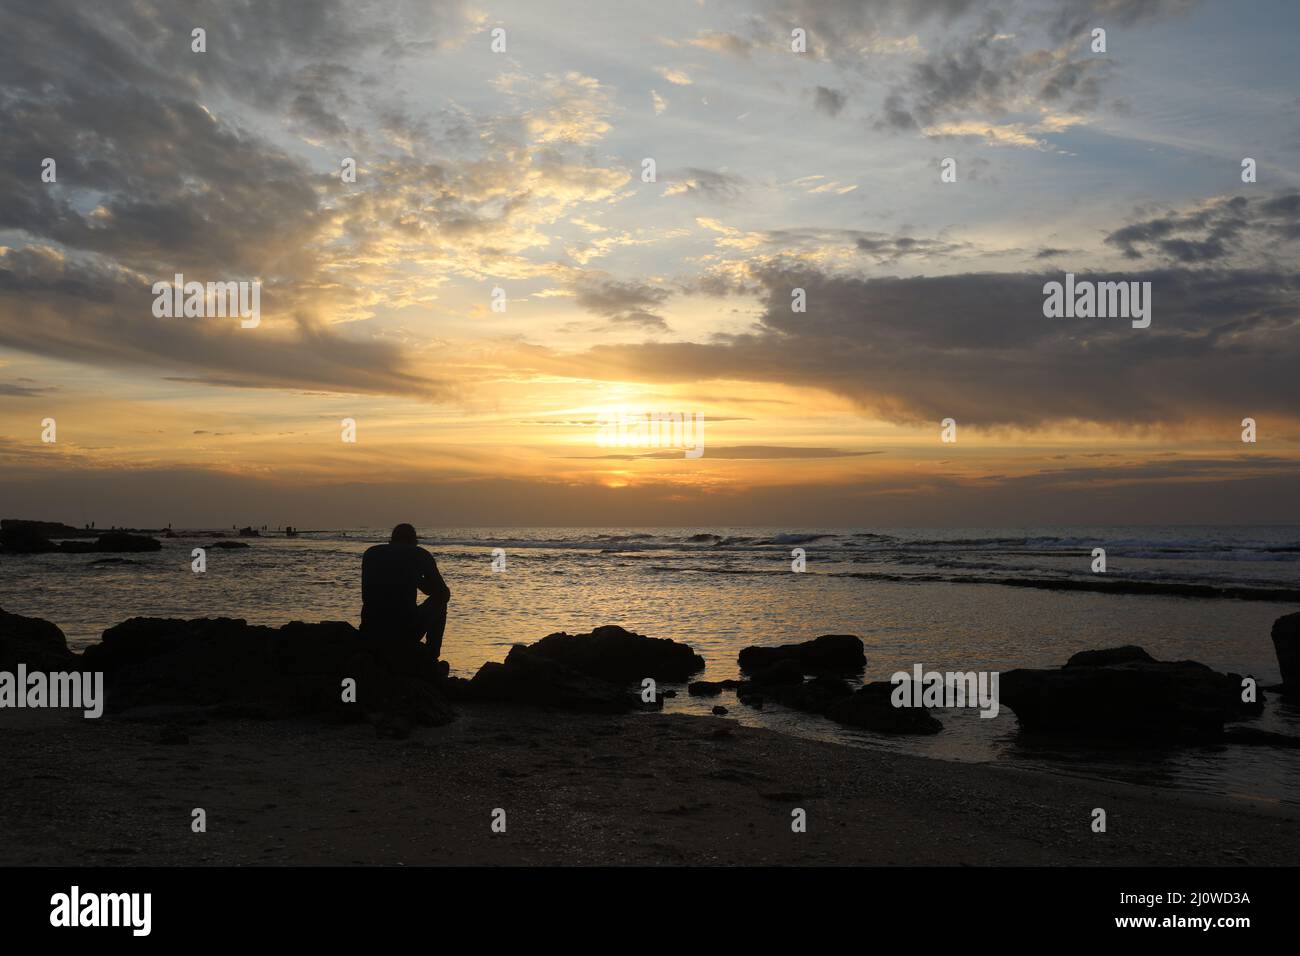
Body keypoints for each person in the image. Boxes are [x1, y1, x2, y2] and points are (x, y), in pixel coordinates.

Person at [360, 523, 450, 658]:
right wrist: (417, 579)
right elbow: (443, 593)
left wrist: (414, 577)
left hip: (370, 628)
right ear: (414, 541)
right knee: (441, 601)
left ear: (391, 540)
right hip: (404, 630)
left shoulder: (371, 553)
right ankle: (431, 654)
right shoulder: (419, 554)